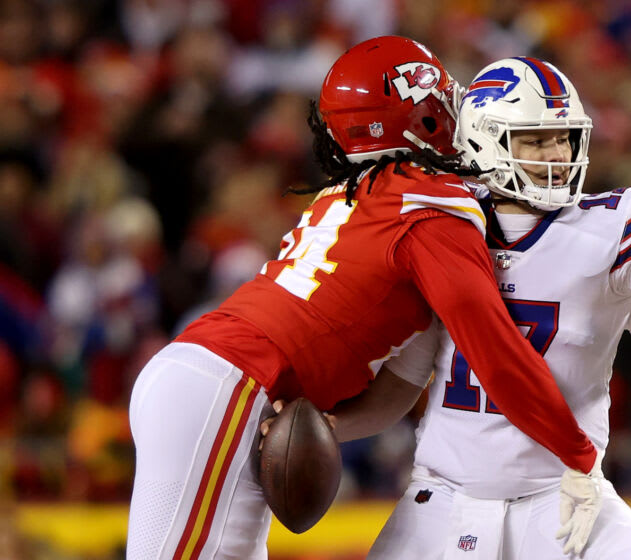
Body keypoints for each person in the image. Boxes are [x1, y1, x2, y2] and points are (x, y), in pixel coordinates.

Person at [308, 56, 631, 559]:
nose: (557, 154)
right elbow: (403, 384)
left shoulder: (610, 229)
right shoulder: (441, 230)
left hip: (563, 497)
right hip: (443, 499)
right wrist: (324, 427)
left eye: (563, 137)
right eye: (535, 139)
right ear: (484, 141)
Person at [126, 39, 602, 559]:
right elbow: (499, 358)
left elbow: (400, 383)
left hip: (210, 381)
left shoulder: (362, 196)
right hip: (235, 385)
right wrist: (580, 456)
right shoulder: (433, 209)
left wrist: (333, 426)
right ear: (421, 118)